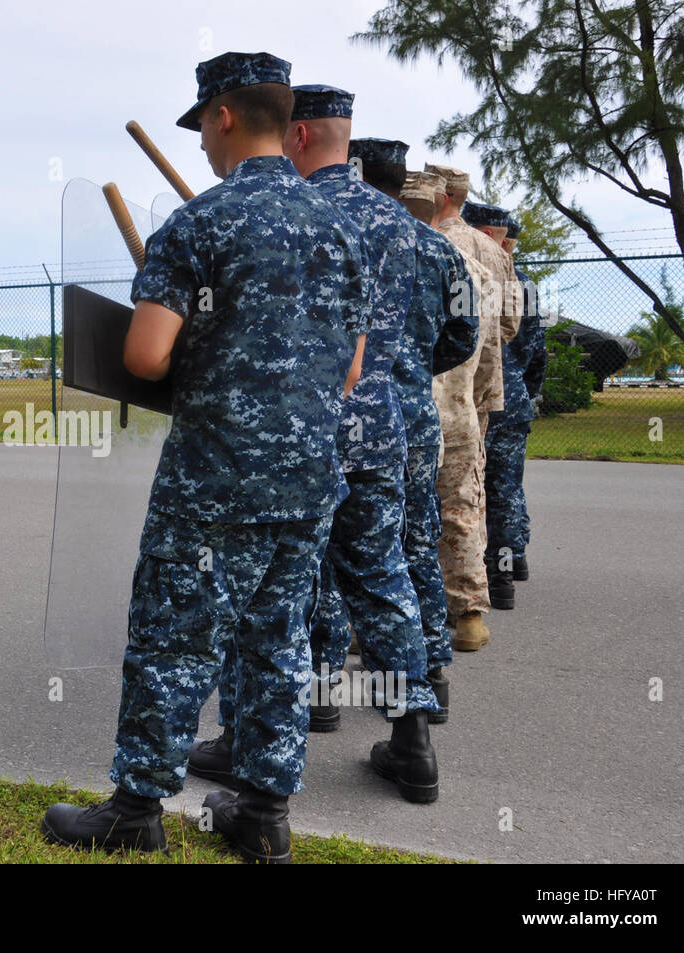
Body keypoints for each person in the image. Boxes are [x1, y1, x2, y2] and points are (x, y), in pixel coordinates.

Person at [42, 51, 368, 863]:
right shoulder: (343, 227)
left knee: (173, 637)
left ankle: (136, 808)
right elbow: (352, 367)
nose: (199, 147)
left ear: (224, 115)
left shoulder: (198, 225)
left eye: (201, 128)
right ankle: (262, 815)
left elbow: (149, 356)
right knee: (279, 640)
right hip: (308, 480)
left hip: (214, 479)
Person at [189, 92, 445, 804]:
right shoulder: (407, 225)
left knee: (273, 593)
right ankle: (413, 739)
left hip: (295, 433)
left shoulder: (293, 216)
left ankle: (254, 738)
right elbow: (441, 332)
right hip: (381, 429)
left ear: (297, 134)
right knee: (382, 579)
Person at [395, 170, 481, 719]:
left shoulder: (360, 234)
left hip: (379, 411)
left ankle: (333, 668)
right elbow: (482, 333)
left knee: (360, 541)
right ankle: (459, 627)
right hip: (449, 406)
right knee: (443, 519)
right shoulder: (472, 255)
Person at [425, 164, 512, 651]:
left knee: (389, 514)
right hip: (460, 404)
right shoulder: (487, 259)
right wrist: (479, 400)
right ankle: (470, 615)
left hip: (404, 409)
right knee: (460, 508)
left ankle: (375, 624)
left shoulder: (402, 250)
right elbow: (501, 334)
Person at [484, 215, 546, 607]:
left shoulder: (476, 275)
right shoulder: (524, 285)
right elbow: (535, 350)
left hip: (481, 395)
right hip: (513, 396)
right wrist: (526, 388)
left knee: (474, 487)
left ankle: (491, 568)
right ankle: (508, 567)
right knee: (505, 488)